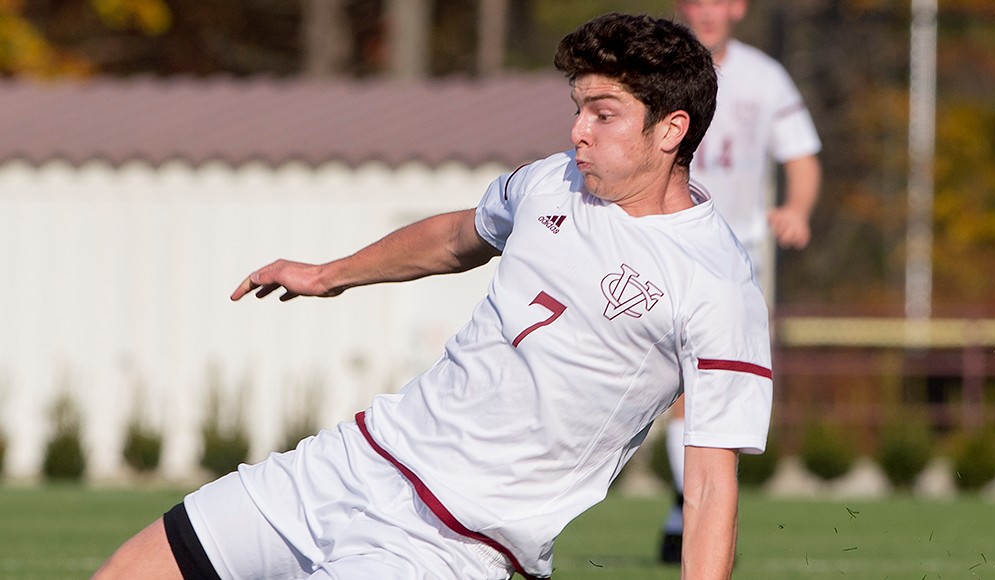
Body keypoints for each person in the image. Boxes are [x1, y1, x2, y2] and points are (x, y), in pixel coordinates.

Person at [95, 12, 772, 580]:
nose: (578, 133)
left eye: (604, 114)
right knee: (129, 571)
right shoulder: (549, 182)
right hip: (357, 459)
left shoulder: (716, 282)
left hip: (453, 546)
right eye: (578, 110)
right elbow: (457, 236)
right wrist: (330, 274)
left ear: (672, 128)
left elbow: (711, 485)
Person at [659, 0, 822, 565]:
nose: (707, 11)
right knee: (675, 385)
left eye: (718, 0)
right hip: (666, 244)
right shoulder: (659, 68)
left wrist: (797, 208)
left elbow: (801, 156)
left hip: (736, 254)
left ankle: (689, 509)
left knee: (714, 387)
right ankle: (688, 505)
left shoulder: (763, 77)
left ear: (737, 8)